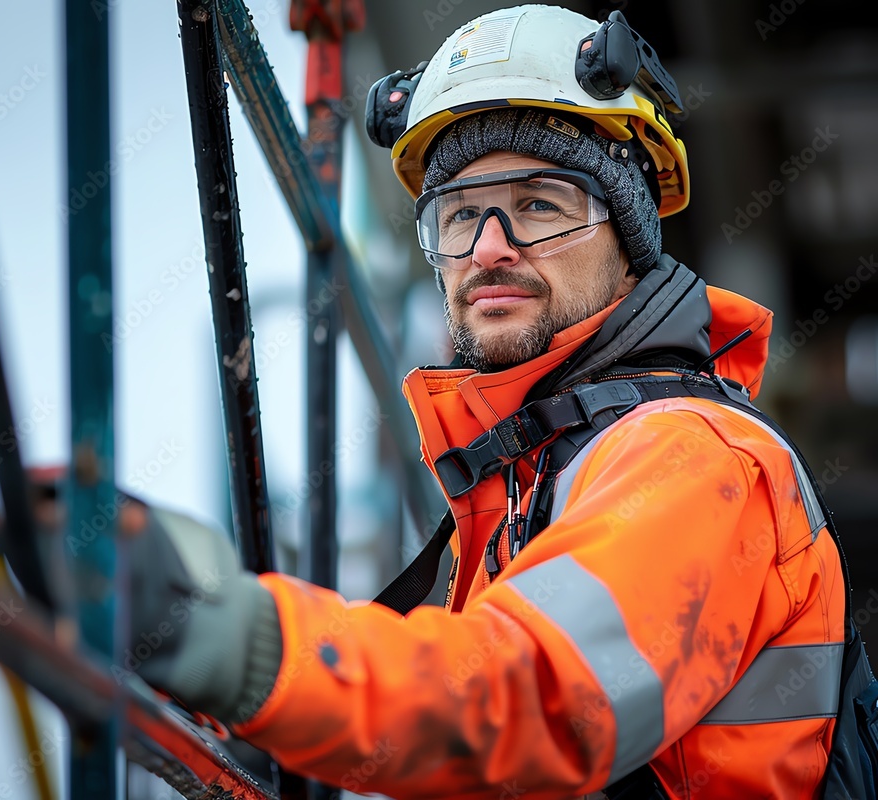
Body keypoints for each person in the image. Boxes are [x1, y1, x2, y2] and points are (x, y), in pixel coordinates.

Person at [130, 5, 845, 798]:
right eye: (461, 215)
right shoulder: (529, 468)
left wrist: (238, 645)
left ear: (631, 239)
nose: (489, 247)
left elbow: (529, 703)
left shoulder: (691, 456)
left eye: (539, 204)